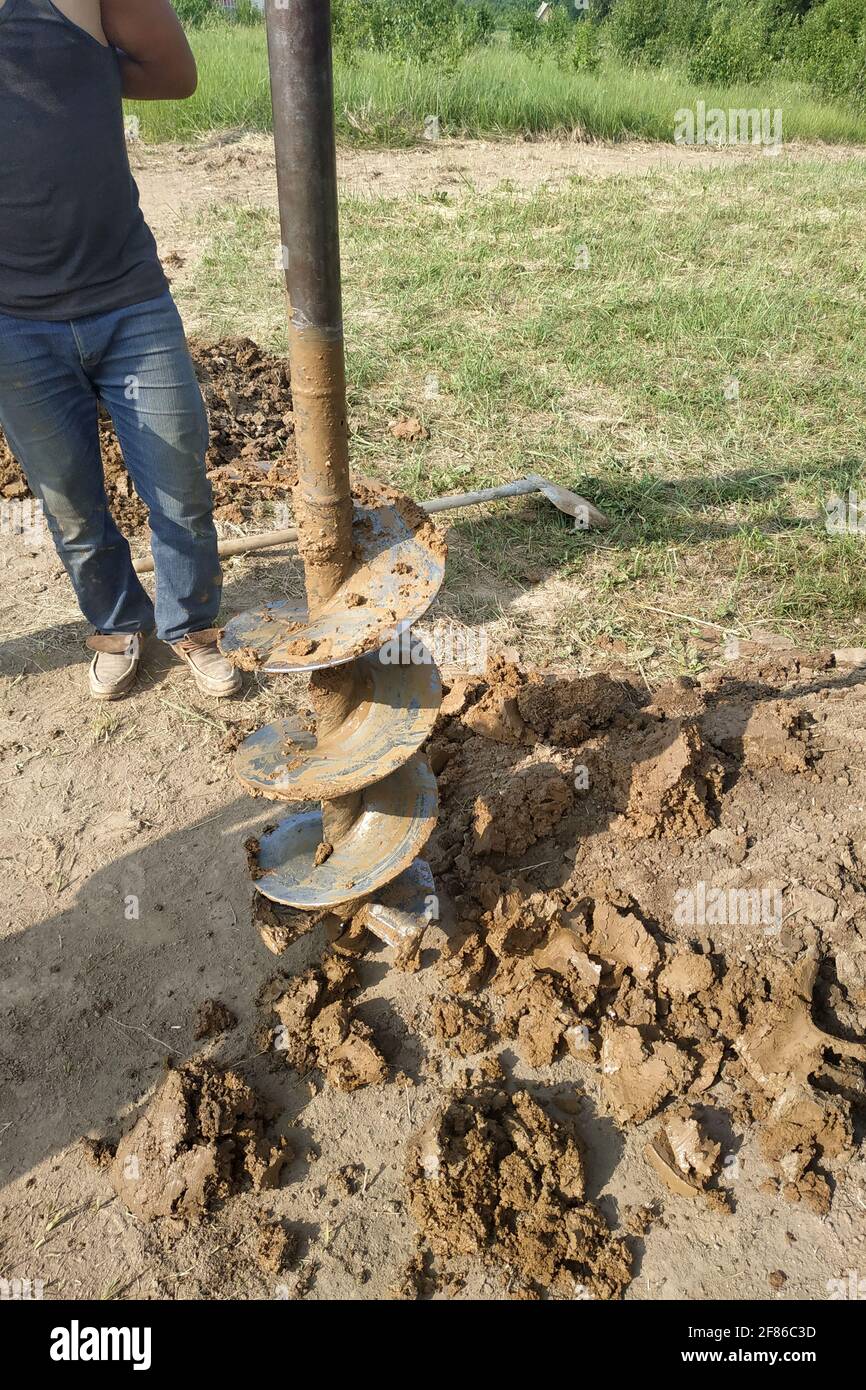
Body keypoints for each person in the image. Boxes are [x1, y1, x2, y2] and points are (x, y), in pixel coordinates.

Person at [0, 0, 242, 699]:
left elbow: (173, 73)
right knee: (69, 501)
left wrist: (86, 74)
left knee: (179, 481)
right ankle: (113, 623)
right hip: (13, 321)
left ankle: (193, 624)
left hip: (126, 297)